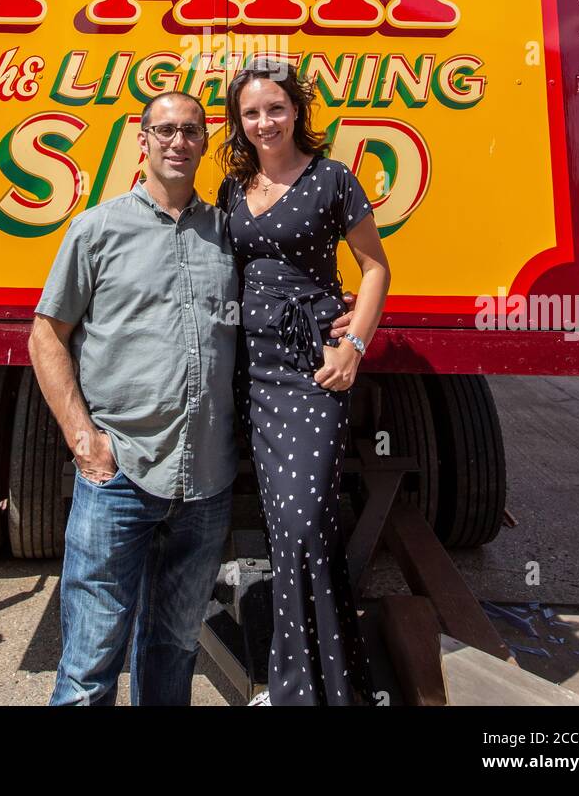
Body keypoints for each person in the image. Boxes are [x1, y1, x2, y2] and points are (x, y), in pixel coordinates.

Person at [29, 90, 240, 706]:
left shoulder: (228, 235)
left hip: (206, 481)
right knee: (91, 660)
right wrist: (83, 439)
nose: (179, 141)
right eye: (165, 130)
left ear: (205, 144)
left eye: (192, 131)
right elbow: (46, 333)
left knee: (173, 649)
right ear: (142, 141)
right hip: (117, 474)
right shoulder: (96, 229)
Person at [216, 60, 391, 707]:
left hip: (310, 369)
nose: (265, 122)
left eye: (276, 109)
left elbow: (375, 268)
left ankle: (303, 688)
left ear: (298, 113)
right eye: (252, 112)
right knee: (286, 525)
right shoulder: (235, 188)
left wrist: (355, 343)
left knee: (305, 522)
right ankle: (330, 679)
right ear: (240, 122)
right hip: (251, 373)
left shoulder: (332, 181)